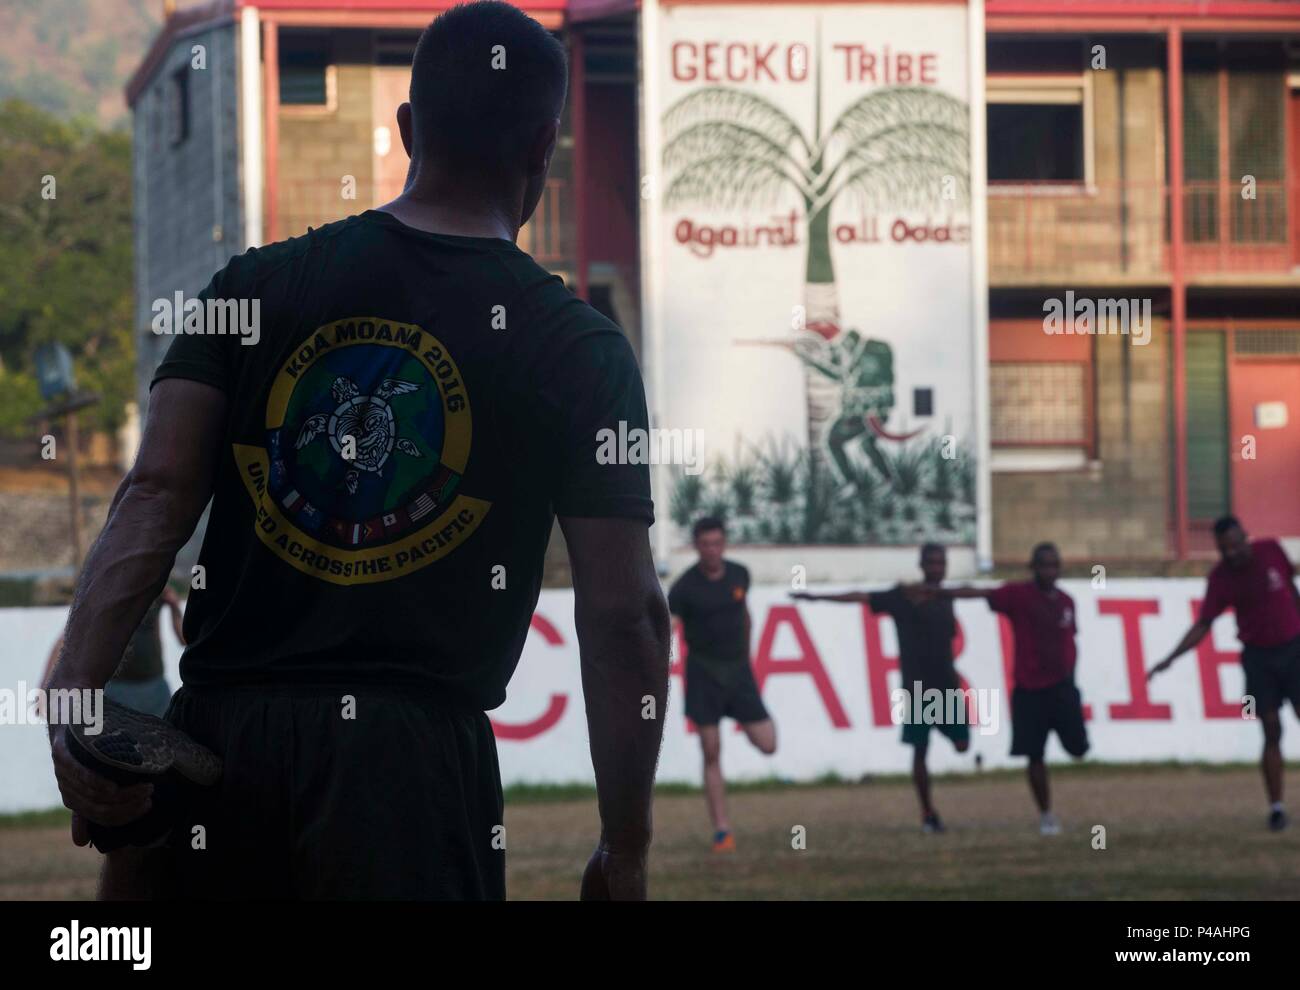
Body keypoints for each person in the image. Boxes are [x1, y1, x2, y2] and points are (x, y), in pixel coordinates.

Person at [44, 1, 670, 900]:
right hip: (410, 774)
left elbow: (152, 499)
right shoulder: (578, 348)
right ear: (545, 147)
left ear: (408, 127)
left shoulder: (251, 286)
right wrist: (625, 845)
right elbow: (624, 616)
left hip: (216, 752)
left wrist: (74, 706)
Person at [794, 543, 969, 832]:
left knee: (963, 746)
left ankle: (939, 730)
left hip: (947, 687)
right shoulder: (902, 597)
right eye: (932, 563)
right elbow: (860, 597)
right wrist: (816, 596)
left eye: (942, 563)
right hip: (917, 689)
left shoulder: (947, 596)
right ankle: (927, 813)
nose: (938, 568)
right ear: (921, 565)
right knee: (920, 751)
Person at [1148, 515, 1300, 831]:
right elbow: (1204, 624)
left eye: (1234, 544)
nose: (1231, 553)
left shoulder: (1271, 550)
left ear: (1246, 536)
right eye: (1223, 549)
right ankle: (1276, 807)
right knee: (1270, 728)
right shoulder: (1221, 579)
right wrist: (1170, 658)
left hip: (1293, 648)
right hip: (1258, 658)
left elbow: (1291, 587)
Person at [939, 542, 1088, 835]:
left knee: (1078, 749)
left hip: (1062, 688)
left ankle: (1053, 794)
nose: (1049, 570)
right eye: (1043, 565)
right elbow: (981, 592)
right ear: (1032, 568)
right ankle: (1046, 814)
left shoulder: (1067, 602)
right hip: (1030, 689)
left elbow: (1072, 640)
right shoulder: (1018, 595)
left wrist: (1071, 675)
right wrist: (940, 592)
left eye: (1054, 565)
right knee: (1035, 755)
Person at [667, 517, 776, 852]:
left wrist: (746, 656)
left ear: (724, 543)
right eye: (705, 544)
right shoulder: (684, 588)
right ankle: (722, 830)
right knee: (711, 751)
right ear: (697, 546)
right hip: (703, 672)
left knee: (768, 743)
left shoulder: (740, 574)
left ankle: (739, 714)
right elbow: (669, 629)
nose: (712, 550)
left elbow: (745, 616)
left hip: (739, 671)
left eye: (717, 543)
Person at [43, 588, 184, 718]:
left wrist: (175, 607)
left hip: (154, 688)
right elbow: (68, 637)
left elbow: (183, 639)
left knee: (162, 742)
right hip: (115, 689)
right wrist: (46, 687)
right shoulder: (108, 587)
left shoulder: (157, 585)